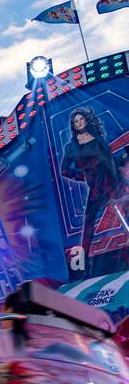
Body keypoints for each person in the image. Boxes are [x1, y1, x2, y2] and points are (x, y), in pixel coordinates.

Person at [62, 107, 120, 278]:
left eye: (81, 119)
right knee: (89, 223)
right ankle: (81, 266)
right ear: (73, 125)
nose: (79, 123)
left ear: (86, 120)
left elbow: (109, 158)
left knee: (126, 209)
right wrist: (84, 175)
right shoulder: (71, 147)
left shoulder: (98, 137)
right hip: (95, 184)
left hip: (111, 179)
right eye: (76, 121)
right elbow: (64, 170)